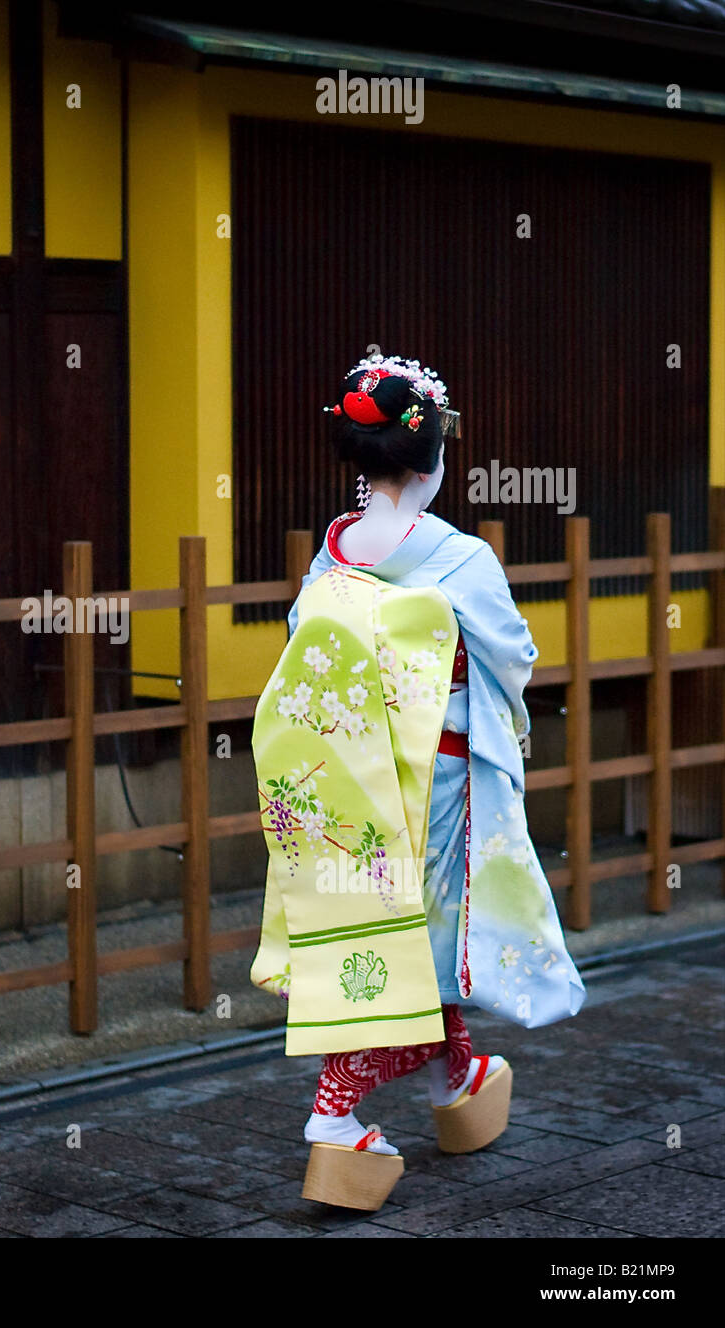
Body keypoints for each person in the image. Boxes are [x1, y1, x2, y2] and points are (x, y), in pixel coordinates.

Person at [249, 352, 585, 1211]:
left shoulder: (330, 559)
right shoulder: (459, 559)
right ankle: (335, 1119)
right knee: (412, 948)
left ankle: (458, 1077)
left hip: (350, 789)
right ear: (434, 456)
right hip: (436, 785)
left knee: (400, 937)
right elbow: (514, 655)